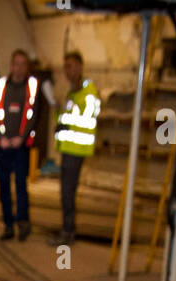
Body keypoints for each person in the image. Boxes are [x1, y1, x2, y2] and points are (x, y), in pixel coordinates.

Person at [0, 49, 39, 241]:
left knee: (20, 185)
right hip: (1, 145)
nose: (19, 68)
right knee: (3, 187)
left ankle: (23, 223)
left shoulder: (31, 87)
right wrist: (2, 137)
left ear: (26, 67)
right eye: (16, 64)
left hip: (20, 145)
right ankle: (8, 225)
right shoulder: (1, 85)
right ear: (11, 65)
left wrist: (21, 137)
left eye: (22, 64)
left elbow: (32, 115)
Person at [55, 50, 100, 244]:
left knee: (67, 192)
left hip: (77, 149)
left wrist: (65, 117)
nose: (67, 71)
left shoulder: (87, 92)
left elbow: (87, 118)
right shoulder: (72, 92)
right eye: (65, 67)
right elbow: (66, 118)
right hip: (68, 148)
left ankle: (68, 231)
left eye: (70, 66)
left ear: (80, 67)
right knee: (65, 193)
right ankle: (67, 229)